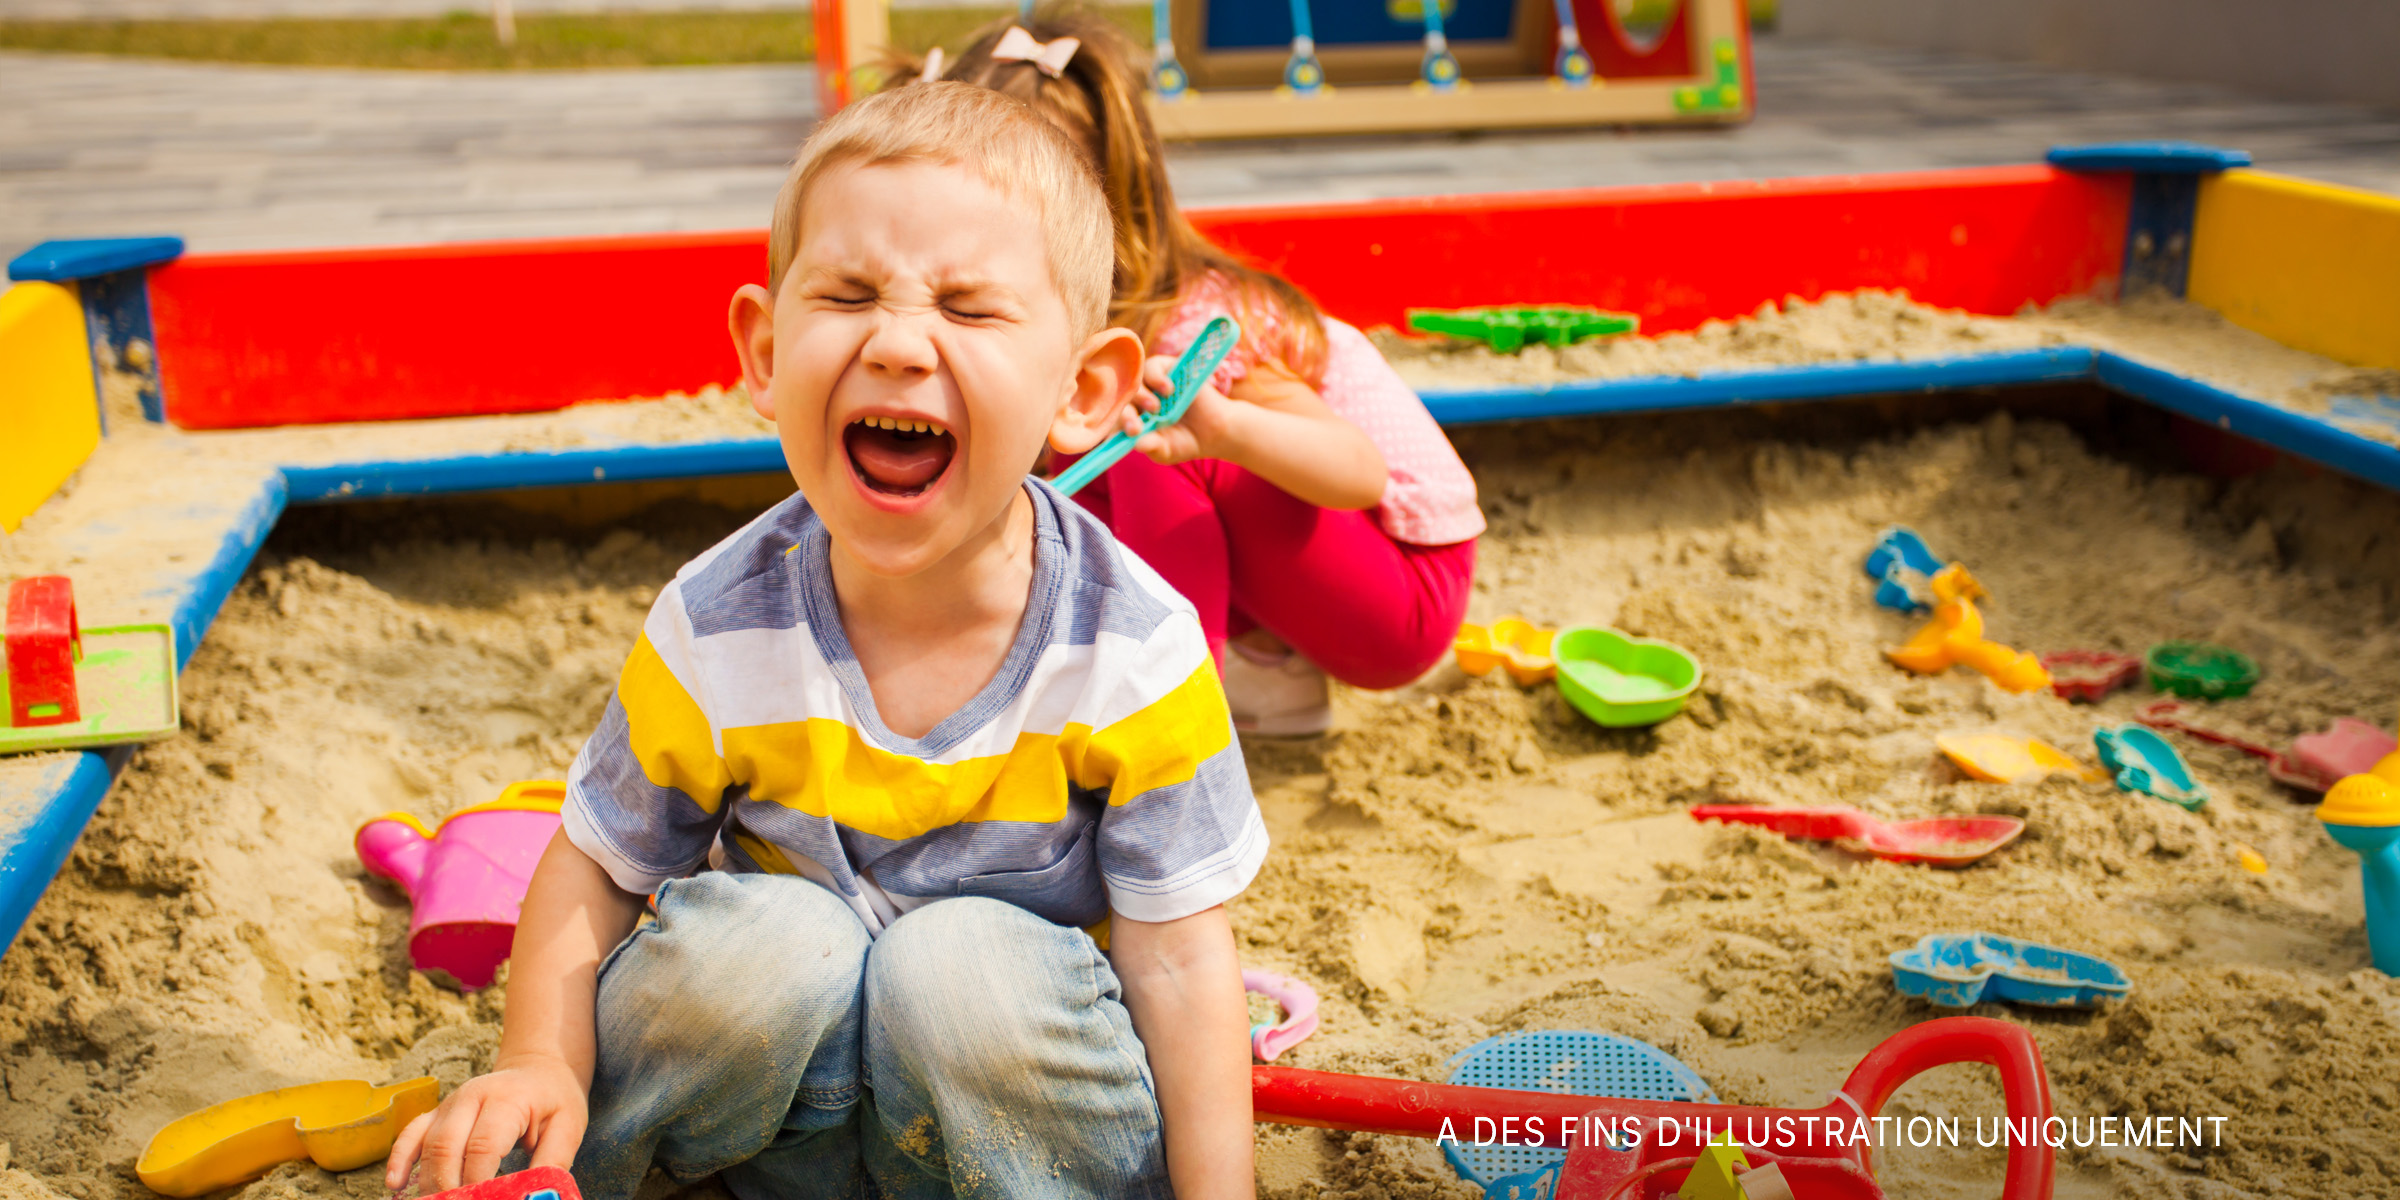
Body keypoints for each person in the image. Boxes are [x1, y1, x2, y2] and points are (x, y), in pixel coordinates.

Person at [384, 81, 1265, 1200]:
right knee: (764, 945)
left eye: (970, 309)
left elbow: (1179, 958)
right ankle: (588, 1169)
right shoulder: (719, 620)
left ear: (1083, 392)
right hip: (772, 1138)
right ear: (763, 350)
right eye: (849, 295)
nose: (897, 342)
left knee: (956, 968)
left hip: (1000, 1129)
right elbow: (600, 863)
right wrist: (539, 1059)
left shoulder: (1130, 650)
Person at [936, 10, 1485, 736]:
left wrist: (1222, 428)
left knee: (1143, 428)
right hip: (1318, 574)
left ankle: (1171, 715)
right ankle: (1265, 671)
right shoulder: (1049, 318)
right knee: (1075, 460)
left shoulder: (1191, 325)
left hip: (1405, 584)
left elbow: (1359, 473)